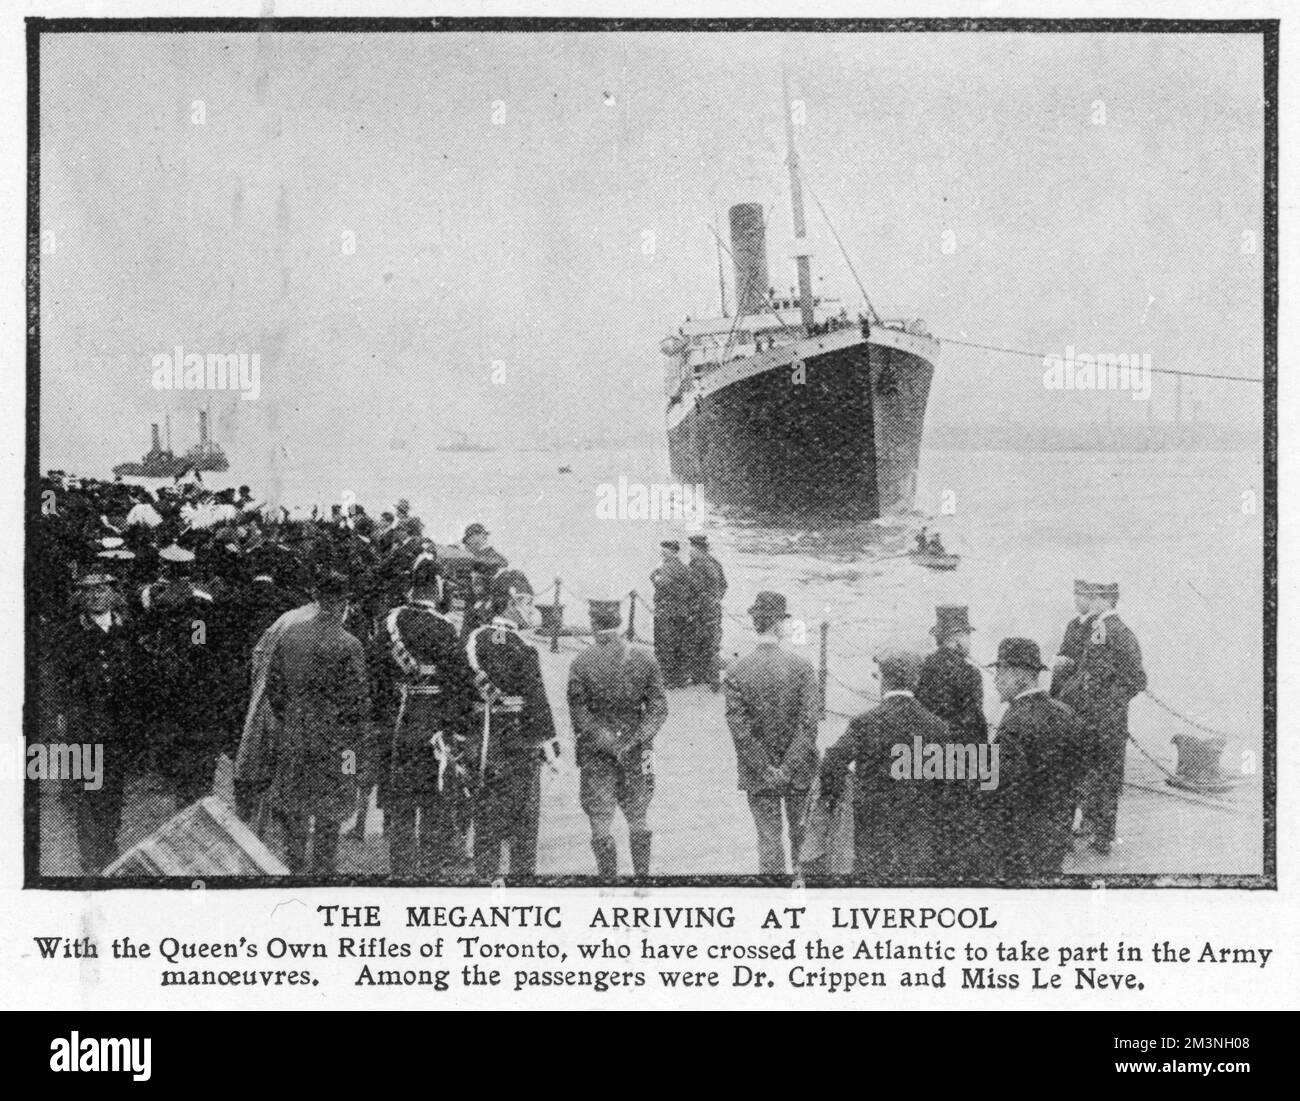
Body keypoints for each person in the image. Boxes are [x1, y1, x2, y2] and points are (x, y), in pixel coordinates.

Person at [373, 555, 478, 880]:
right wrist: (458, 730)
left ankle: (400, 873)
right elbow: (460, 684)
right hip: (433, 726)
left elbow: (375, 675)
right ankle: (429, 871)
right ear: (437, 588)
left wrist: (380, 719)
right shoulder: (445, 628)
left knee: (401, 805)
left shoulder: (390, 622)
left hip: (396, 723)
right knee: (432, 803)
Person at [264, 571, 370, 874]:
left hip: (295, 729)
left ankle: (295, 866)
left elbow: (274, 687)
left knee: (294, 801)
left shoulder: (291, 634)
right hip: (335, 736)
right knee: (331, 807)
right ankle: (323, 870)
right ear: (343, 603)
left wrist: (292, 717)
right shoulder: (349, 644)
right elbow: (358, 702)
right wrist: (355, 754)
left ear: (317, 599)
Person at [818, 649, 951, 880]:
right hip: (920, 836)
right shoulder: (937, 727)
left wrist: (837, 797)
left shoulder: (864, 723)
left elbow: (831, 763)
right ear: (916, 680)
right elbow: (946, 786)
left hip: (873, 832)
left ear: (883, 680)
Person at [465, 570, 561, 879]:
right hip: (518, 743)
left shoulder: (475, 639)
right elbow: (537, 702)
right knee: (523, 823)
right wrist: (549, 744)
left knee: (486, 821)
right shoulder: (524, 647)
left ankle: (485, 880)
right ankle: (522, 884)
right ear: (510, 602)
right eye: (524, 601)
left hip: (482, 741)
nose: (529, 607)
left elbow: (462, 692)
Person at [50, 573, 145, 873]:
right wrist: (61, 716)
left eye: (100, 590)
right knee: (90, 794)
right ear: (79, 597)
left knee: (113, 793)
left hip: (120, 727)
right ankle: (93, 859)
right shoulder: (69, 632)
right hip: (86, 727)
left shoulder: (128, 629)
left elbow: (141, 677)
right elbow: (58, 680)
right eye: (87, 592)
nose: (93, 597)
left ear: (113, 594)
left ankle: (108, 845)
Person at [567, 598, 667, 878]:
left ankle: (608, 881)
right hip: (639, 751)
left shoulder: (580, 662)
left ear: (592, 622)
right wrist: (638, 738)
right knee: (639, 815)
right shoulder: (645, 658)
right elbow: (659, 707)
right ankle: (643, 880)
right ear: (620, 621)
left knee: (600, 819)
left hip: (596, 753)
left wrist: (605, 740)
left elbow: (579, 714)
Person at [724, 592, 820, 876]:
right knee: (802, 838)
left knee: (768, 841)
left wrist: (765, 767)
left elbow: (739, 730)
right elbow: (809, 724)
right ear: (779, 625)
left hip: (759, 773)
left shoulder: (737, 670)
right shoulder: (802, 667)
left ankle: (772, 898)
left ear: (756, 623)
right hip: (799, 770)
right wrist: (788, 766)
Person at [1051, 580, 1147, 855]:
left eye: (1094, 597)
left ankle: (1104, 835)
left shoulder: (1120, 632)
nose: (1088, 601)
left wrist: (1108, 705)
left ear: (1106, 600)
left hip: (1108, 722)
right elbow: (1087, 673)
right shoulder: (1097, 628)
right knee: (1086, 774)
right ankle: (1092, 829)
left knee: (1106, 777)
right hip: (1090, 719)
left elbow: (1137, 680)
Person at [985, 638, 1090, 878]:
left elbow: (998, 781)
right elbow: (1082, 765)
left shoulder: (1016, 719)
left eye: (1000, 672)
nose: (995, 680)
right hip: (1057, 831)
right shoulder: (1065, 712)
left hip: (1021, 837)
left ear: (1020, 675)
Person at [650, 540, 693, 689]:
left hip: (666, 612)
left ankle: (667, 679)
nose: (662, 553)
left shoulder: (668, 567)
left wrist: (657, 574)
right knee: (680, 644)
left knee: (664, 644)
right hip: (681, 611)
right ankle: (680, 679)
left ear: (670, 551)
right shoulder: (684, 567)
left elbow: (661, 583)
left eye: (664, 551)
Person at [686, 534, 726, 689]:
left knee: (697, 642)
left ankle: (700, 678)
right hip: (714, 610)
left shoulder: (697, 564)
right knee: (712, 643)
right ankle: (712, 678)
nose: (689, 551)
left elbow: (694, 589)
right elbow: (724, 585)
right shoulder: (715, 562)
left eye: (691, 548)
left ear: (697, 549)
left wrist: (692, 609)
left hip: (701, 612)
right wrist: (716, 599)